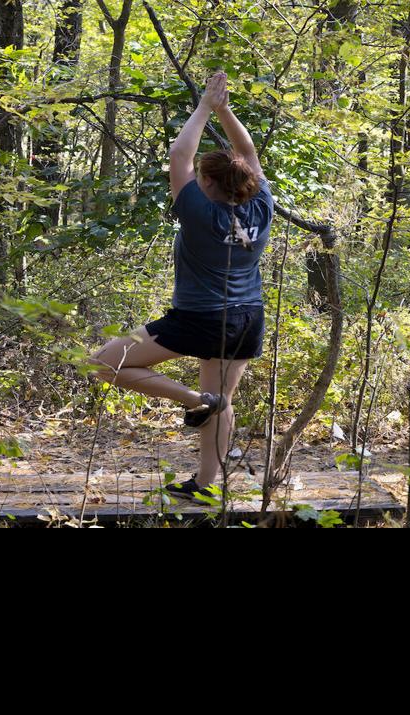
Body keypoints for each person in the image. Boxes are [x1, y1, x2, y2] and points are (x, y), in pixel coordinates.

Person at [90, 71, 273, 501]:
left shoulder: (198, 213)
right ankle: (208, 485)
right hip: (247, 319)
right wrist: (225, 110)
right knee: (222, 398)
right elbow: (245, 150)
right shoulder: (261, 206)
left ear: (207, 183)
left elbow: (179, 154)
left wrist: (207, 106)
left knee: (102, 363)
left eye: (200, 178)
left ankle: (193, 399)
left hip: (197, 318)